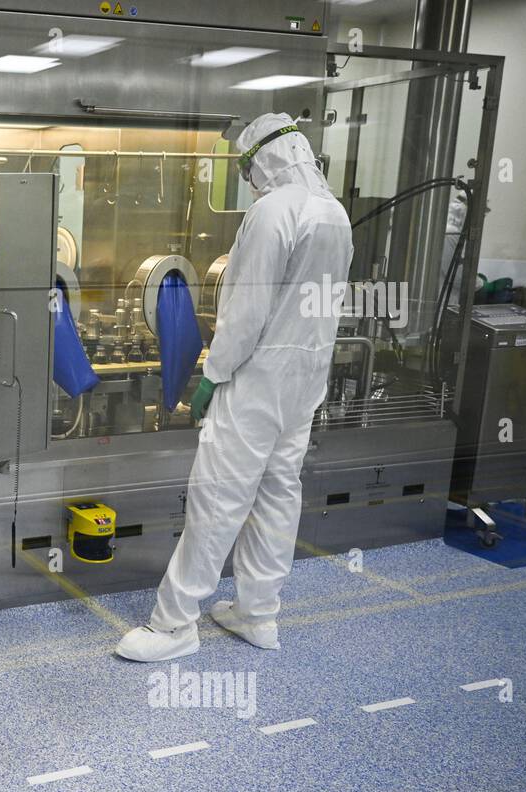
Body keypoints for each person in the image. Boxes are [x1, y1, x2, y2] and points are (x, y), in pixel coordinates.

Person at [115, 113, 355, 662]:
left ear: (265, 160)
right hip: (305, 381)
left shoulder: (273, 211)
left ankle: (174, 625)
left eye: (247, 166)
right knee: (277, 494)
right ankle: (258, 613)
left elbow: (245, 311)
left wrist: (213, 375)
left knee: (218, 497)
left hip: (256, 381)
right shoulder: (333, 212)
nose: (248, 179)